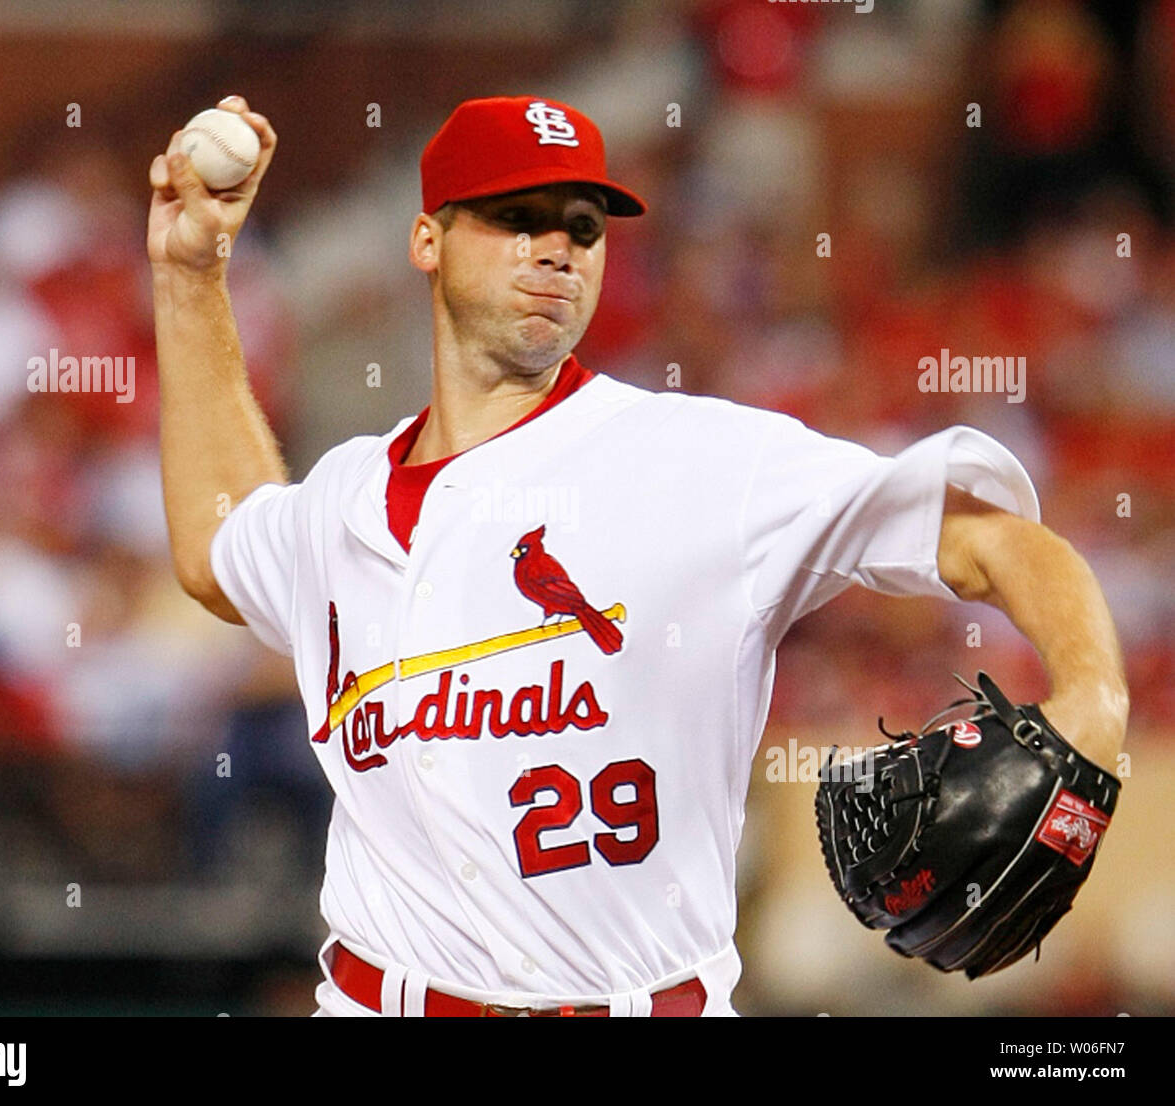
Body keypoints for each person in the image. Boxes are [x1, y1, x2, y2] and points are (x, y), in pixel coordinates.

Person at [148, 94, 1129, 1017]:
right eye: (516, 217)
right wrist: (192, 274)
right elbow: (219, 541)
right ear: (427, 238)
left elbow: (985, 538)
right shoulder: (341, 499)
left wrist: (1093, 691)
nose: (557, 252)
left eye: (581, 227)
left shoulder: (701, 458)